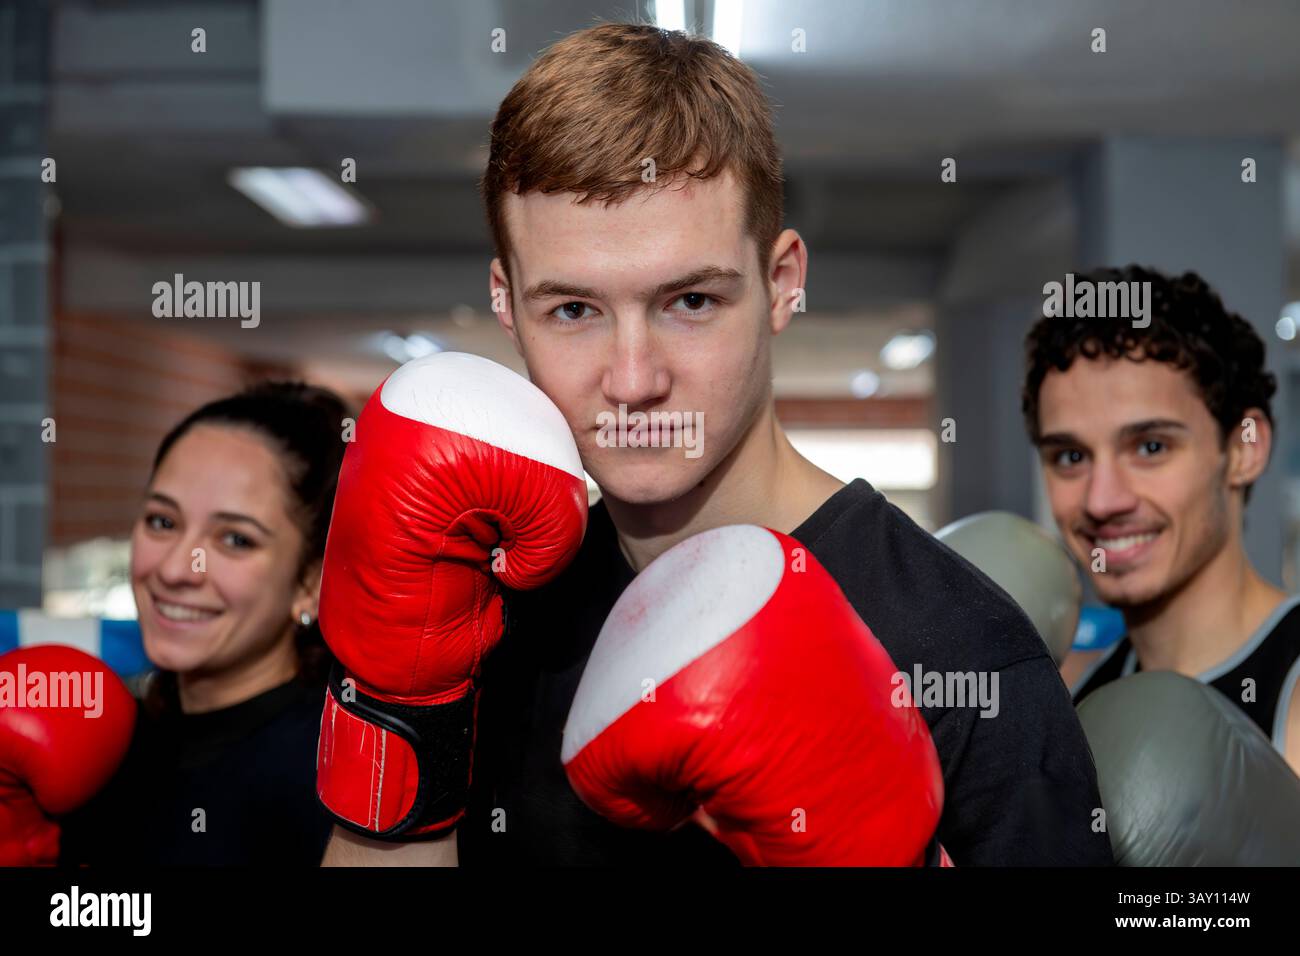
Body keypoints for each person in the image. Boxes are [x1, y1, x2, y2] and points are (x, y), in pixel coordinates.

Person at [321, 22, 1112, 866]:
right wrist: (403, 706)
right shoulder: (492, 615)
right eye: (574, 311)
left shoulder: (959, 647)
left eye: (690, 302)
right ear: (506, 304)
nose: (632, 380)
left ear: (781, 285)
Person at [1022, 265, 1300, 776]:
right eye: (1070, 457)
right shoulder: (1076, 704)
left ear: (1244, 449)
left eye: (1151, 447)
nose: (1102, 501)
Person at [60, 381, 350, 865]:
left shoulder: (332, 784)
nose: (175, 570)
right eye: (162, 521)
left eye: (235, 539)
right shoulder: (113, 738)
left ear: (310, 582)